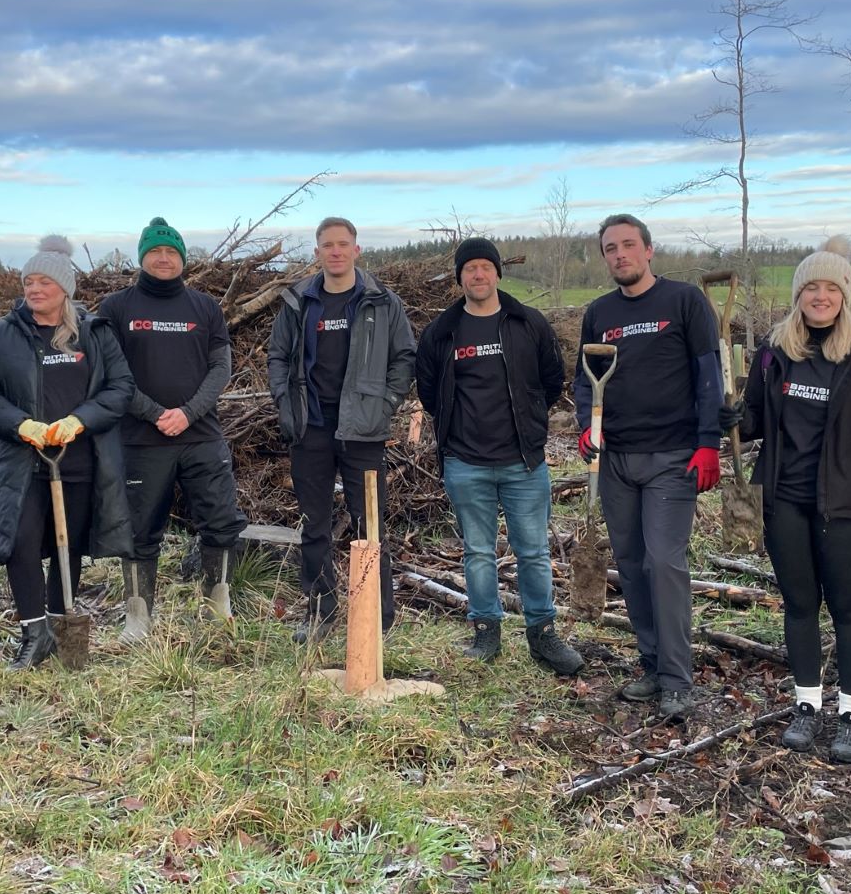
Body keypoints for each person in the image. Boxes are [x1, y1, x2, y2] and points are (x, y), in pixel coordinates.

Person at [725, 236, 851, 761]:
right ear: (798, 293)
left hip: (845, 506)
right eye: (811, 287)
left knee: (848, 609)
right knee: (800, 606)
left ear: (844, 295)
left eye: (831, 287)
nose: (820, 296)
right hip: (783, 501)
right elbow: (756, 420)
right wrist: (735, 418)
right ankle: (806, 705)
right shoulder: (774, 353)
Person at [573, 214, 723, 721]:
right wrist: (584, 427)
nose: (620, 255)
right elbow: (583, 381)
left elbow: (708, 375)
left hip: (672, 458)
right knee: (632, 564)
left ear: (649, 250)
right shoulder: (599, 313)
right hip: (616, 459)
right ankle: (653, 664)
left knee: (665, 562)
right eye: (610, 248)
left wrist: (709, 443)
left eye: (629, 245)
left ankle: (679, 679)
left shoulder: (683, 302)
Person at [415, 237, 582, 673]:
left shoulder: (527, 322)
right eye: (469, 268)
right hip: (466, 463)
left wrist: (530, 424)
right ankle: (486, 631)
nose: (478, 274)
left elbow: (551, 381)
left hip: (523, 463)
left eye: (485, 267)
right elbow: (430, 392)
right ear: (460, 277)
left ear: (497, 273)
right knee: (477, 552)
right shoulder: (442, 332)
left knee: (533, 551)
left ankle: (543, 635)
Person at [0, 236, 134, 667]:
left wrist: (79, 420)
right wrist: (19, 425)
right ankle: (34, 632)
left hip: (79, 460)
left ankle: (60, 622)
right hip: (20, 461)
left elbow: (121, 388)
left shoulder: (95, 333)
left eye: (45, 281)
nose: (34, 289)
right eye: (29, 281)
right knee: (21, 543)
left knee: (69, 546)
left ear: (65, 288)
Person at [267, 217, 415, 644]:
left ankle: (377, 619)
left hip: (363, 432)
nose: (335, 251)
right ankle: (320, 612)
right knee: (314, 525)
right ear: (316, 253)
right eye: (327, 245)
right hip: (310, 428)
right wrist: (284, 400)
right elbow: (278, 356)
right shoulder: (299, 303)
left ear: (356, 250)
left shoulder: (382, 302)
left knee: (369, 526)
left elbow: (404, 357)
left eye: (342, 244)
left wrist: (386, 403)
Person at [98, 217, 247, 637]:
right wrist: (153, 413)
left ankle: (217, 605)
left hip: (200, 435)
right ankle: (138, 615)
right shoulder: (117, 308)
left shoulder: (205, 308)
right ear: (142, 257)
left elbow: (221, 367)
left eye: (171, 252)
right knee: (141, 529)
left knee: (221, 520)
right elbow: (112, 372)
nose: (163, 259)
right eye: (155, 252)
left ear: (182, 258)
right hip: (142, 439)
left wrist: (188, 412)